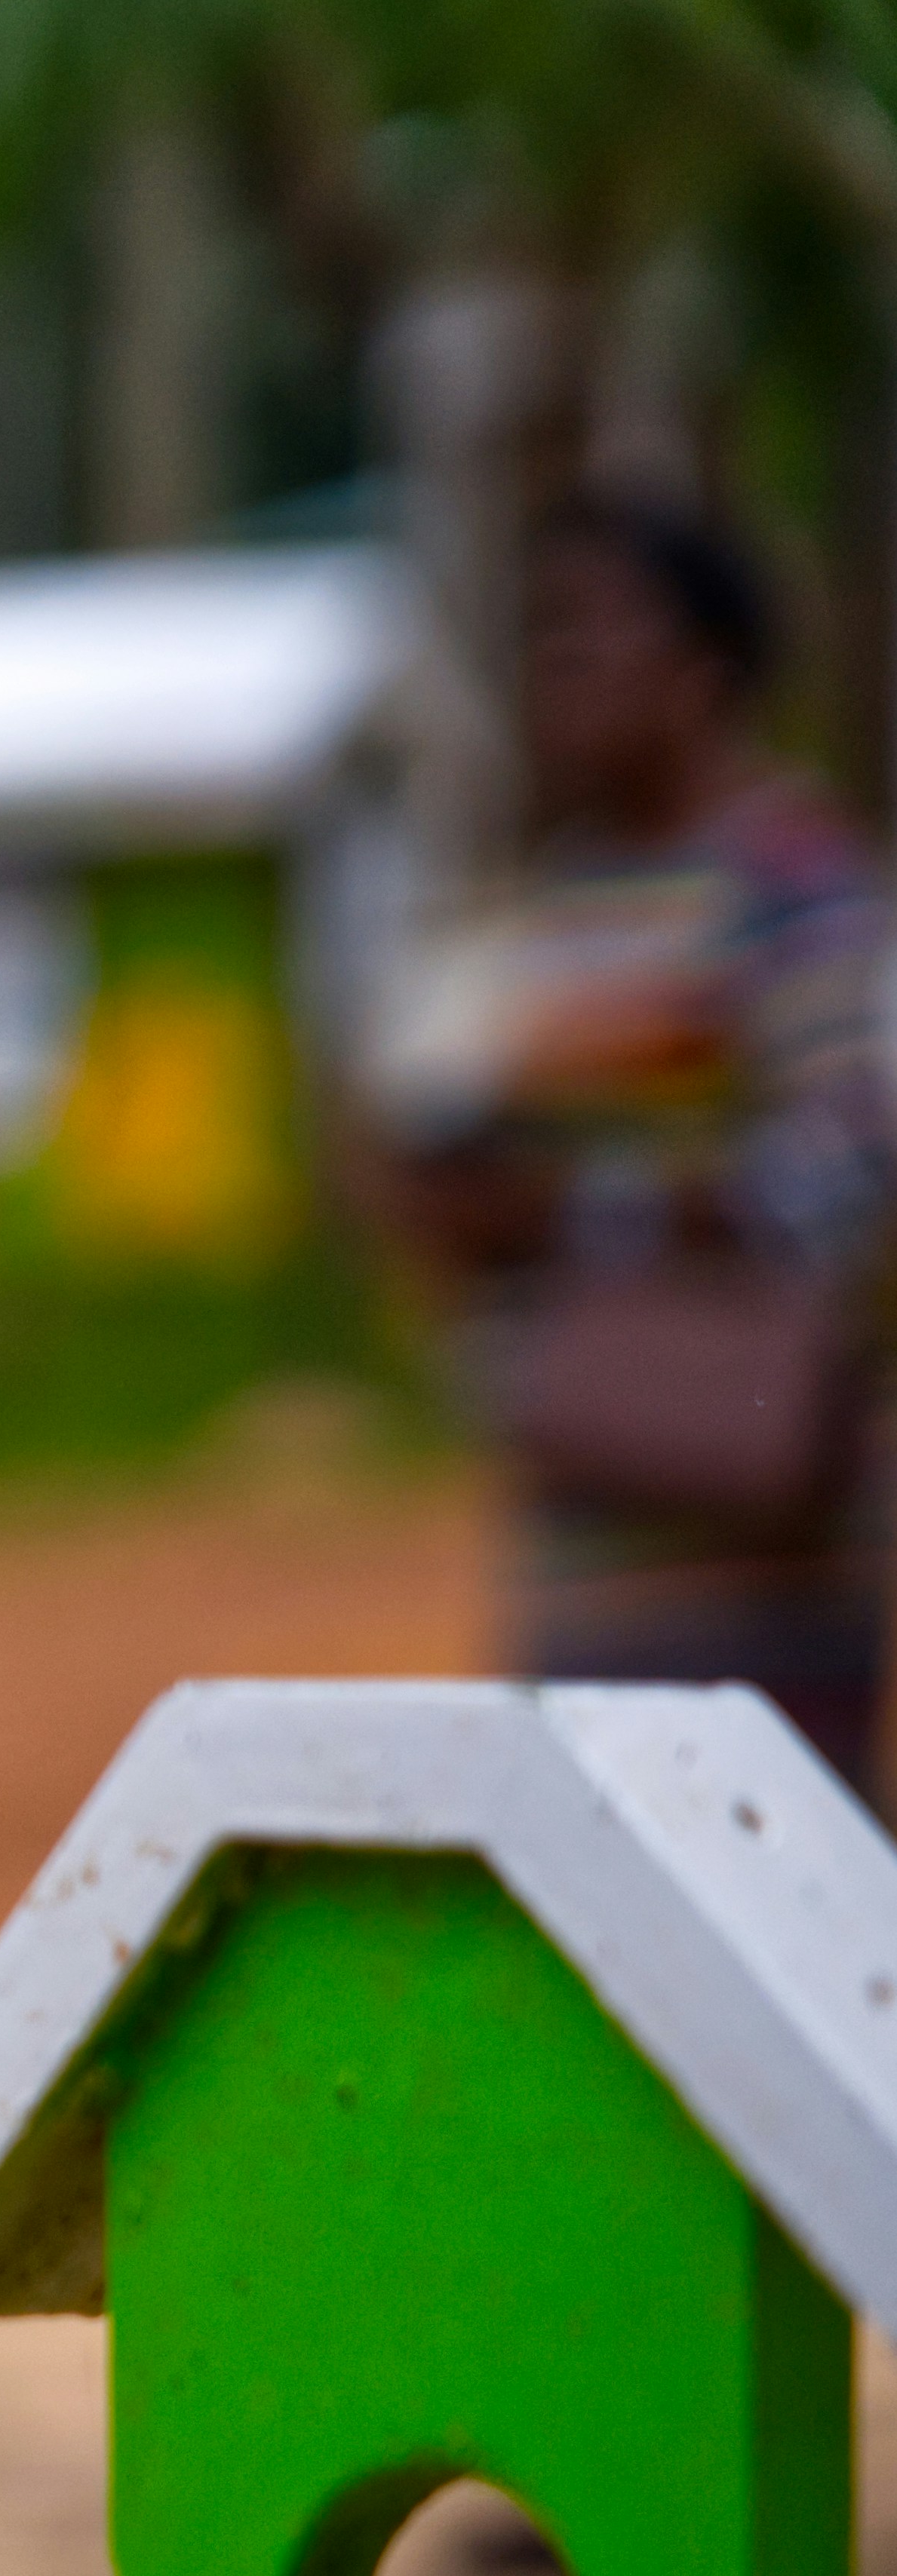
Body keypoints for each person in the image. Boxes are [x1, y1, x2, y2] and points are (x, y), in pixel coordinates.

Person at [385, 496, 897, 1780]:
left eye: (586, 630)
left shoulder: (798, 884)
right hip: (581, 1557)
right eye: (536, 637)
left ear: (702, 671)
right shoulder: (554, 911)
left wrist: (563, 1211)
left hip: (775, 1563)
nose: (550, 669)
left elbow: (844, 1185)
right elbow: (465, 1199)